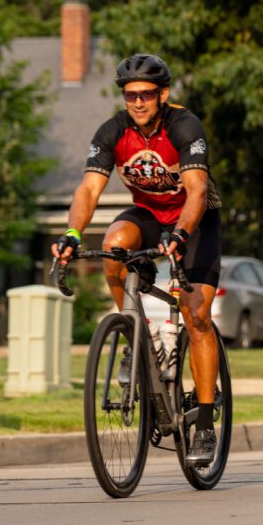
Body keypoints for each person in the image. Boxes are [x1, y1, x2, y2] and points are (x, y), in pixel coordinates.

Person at [51, 53, 224, 465]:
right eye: (131, 95)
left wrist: (180, 234)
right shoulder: (112, 131)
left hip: (194, 219)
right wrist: (72, 234)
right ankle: (135, 333)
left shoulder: (184, 126)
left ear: (163, 94)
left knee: (196, 313)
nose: (138, 102)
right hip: (148, 214)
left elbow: (197, 190)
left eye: (146, 94)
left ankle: (204, 424)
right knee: (114, 245)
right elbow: (88, 190)